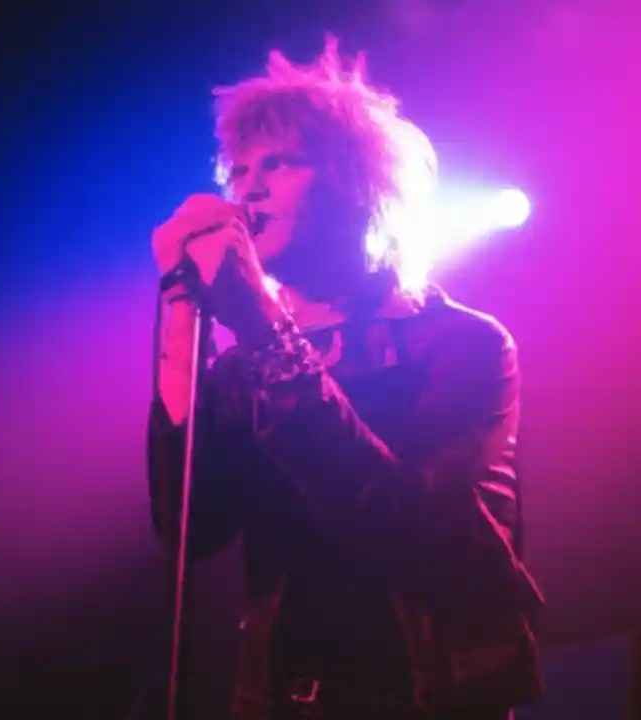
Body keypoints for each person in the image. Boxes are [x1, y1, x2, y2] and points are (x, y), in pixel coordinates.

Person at [146, 36, 545, 720]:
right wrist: (180, 317)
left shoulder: (461, 344)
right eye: (239, 169)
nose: (250, 187)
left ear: (358, 185)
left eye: (280, 162)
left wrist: (267, 330)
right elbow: (191, 527)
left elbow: (402, 520)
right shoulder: (244, 362)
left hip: (424, 699)